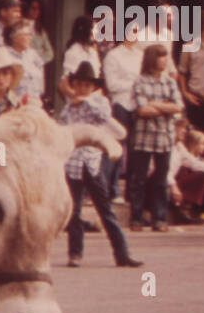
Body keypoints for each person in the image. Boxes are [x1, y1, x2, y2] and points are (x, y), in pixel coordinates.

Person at [57, 61, 141, 269]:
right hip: (73, 163)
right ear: (74, 85)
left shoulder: (100, 102)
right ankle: (75, 253)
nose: (82, 88)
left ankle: (122, 253)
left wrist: (85, 100)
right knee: (74, 211)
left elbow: (105, 116)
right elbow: (61, 130)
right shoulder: (68, 109)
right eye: (79, 85)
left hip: (92, 161)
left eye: (87, 85)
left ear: (93, 87)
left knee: (105, 209)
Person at [127, 44, 183, 232]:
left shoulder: (169, 82)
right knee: (139, 179)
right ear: (152, 59)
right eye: (161, 57)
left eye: (166, 57)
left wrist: (155, 105)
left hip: (164, 137)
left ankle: (160, 218)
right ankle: (136, 217)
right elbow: (142, 109)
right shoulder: (140, 81)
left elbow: (178, 107)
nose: (165, 61)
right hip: (144, 136)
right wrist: (165, 107)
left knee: (161, 180)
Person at [101, 19, 145, 201]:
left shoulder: (140, 54)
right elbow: (112, 85)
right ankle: (111, 190)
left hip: (139, 105)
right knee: (117, 147)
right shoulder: (113, 55)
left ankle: (130, 192)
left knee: (136, 150)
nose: (135, 35)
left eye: (137, 31)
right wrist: (134, 84)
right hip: (120, 104)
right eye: (131, 31)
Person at [177, 8, 204, 155]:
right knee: (195, 139)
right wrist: (185, 93)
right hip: (196, 97)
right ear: (203, 24)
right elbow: (182, 72)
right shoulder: (190, 44)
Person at [169, 128, 204, 223]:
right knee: (201, 176)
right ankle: (185, 210)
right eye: (202, 144)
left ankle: (200, 212)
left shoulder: (183, 150)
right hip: (175, 187)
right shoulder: (180, 155)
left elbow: (199, 165)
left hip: (185, 188)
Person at [58, 16, 101, 103]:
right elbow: (65, 84)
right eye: (93, 29)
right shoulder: (73, 52)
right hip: (78, 101)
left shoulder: (93, 52)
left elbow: (96, 79)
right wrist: (79, 99)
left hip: (94, 100)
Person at [3, 20, 44, 102]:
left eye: (30, 34)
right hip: (14, 106)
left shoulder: (33, 54)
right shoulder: (4, 55)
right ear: (13, 37)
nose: (30, 37)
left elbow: (41, 80)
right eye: (26, 34)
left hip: (35, 104)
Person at [23, 0, 54, 68]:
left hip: (37, 67)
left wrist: (38, 60)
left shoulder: (41, 31)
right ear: (27, 9)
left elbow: (50, 53)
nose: (36, 11)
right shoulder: (20, 27)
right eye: (33, 8)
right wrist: (41, 50)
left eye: (38, 9)